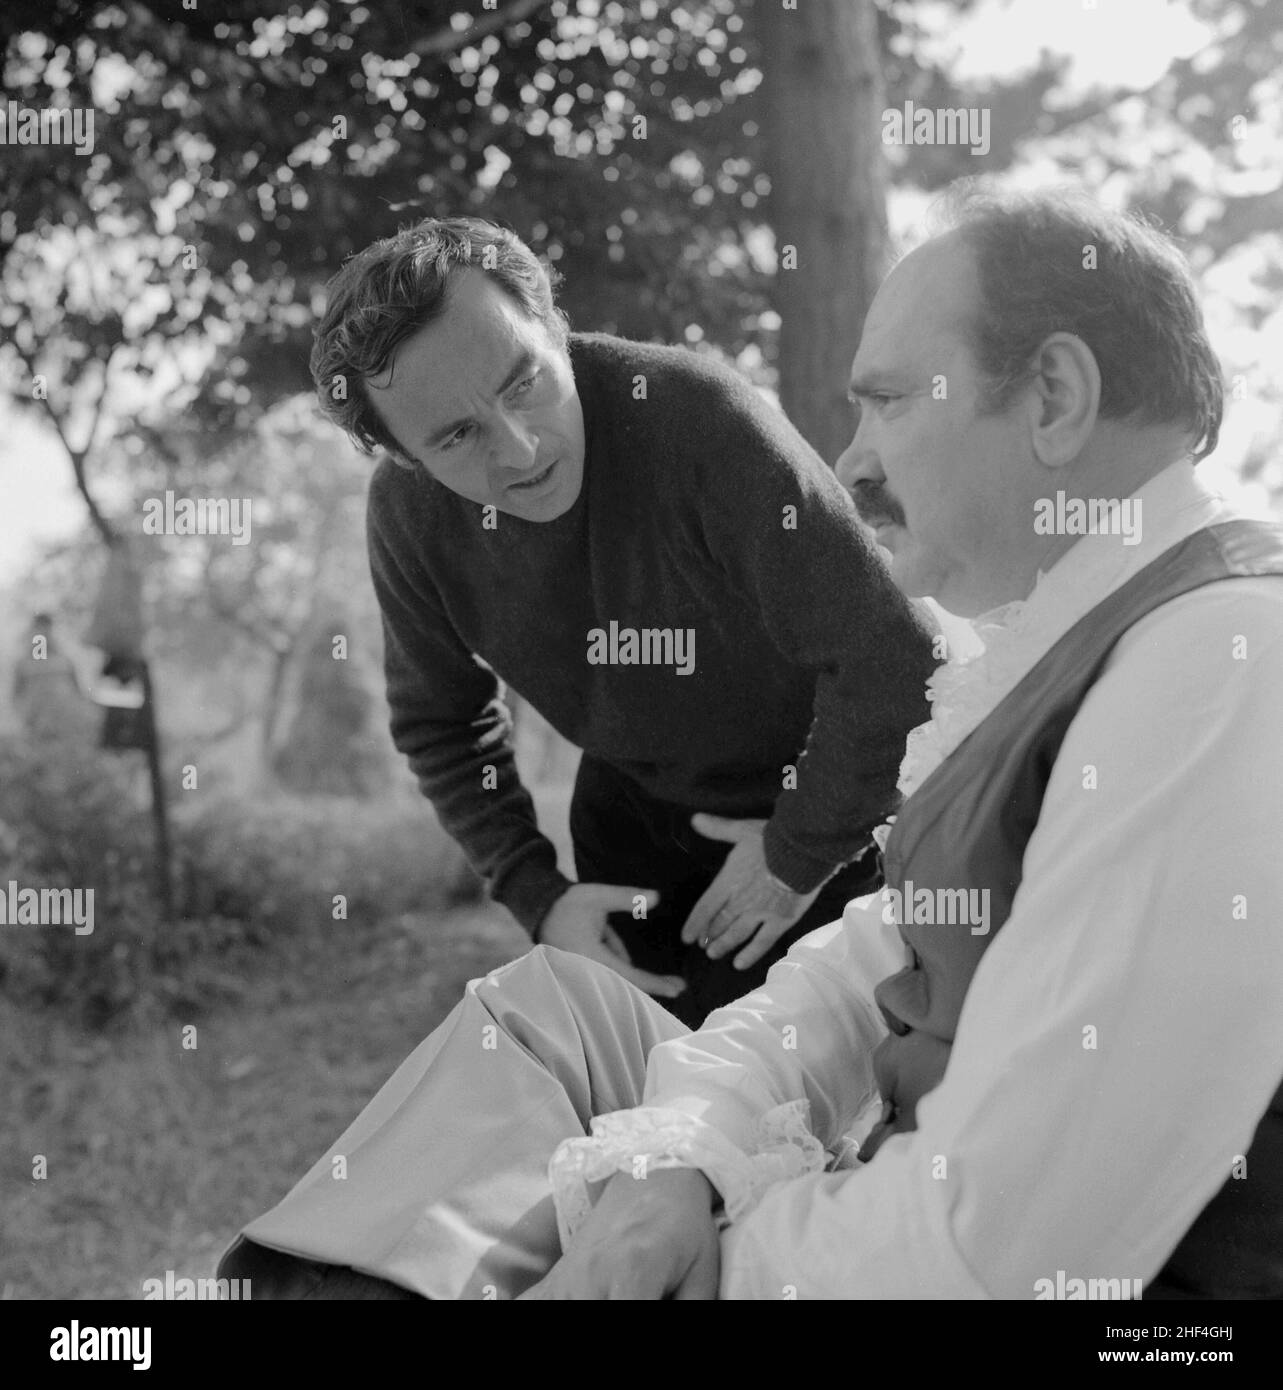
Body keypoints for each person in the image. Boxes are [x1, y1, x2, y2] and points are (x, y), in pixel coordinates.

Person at [220, 184, 1283, 1299]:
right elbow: (898, 946)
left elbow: (995, 1239)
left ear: (1053, 396)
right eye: (453, 435)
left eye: (885, 404)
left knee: (600, 1192)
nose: (850, 465)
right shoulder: (1074, 645)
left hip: (825, 880)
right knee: (537, 1013)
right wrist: (674, 1135)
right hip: (656, 851)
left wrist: (689, 1243)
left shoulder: (1212, 668)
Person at [310, 216, 939, 1025]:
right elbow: (440, 722)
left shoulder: (698, 416)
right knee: (648, 1109)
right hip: (629, 823)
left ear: (554, 328)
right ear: (403, 455)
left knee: (825, 1098)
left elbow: (890, 655)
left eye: (522, 382)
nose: (520, 447)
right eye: (459, 435)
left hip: (828, 792)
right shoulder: (407, 516)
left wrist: (795, 855)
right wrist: (539, 896)